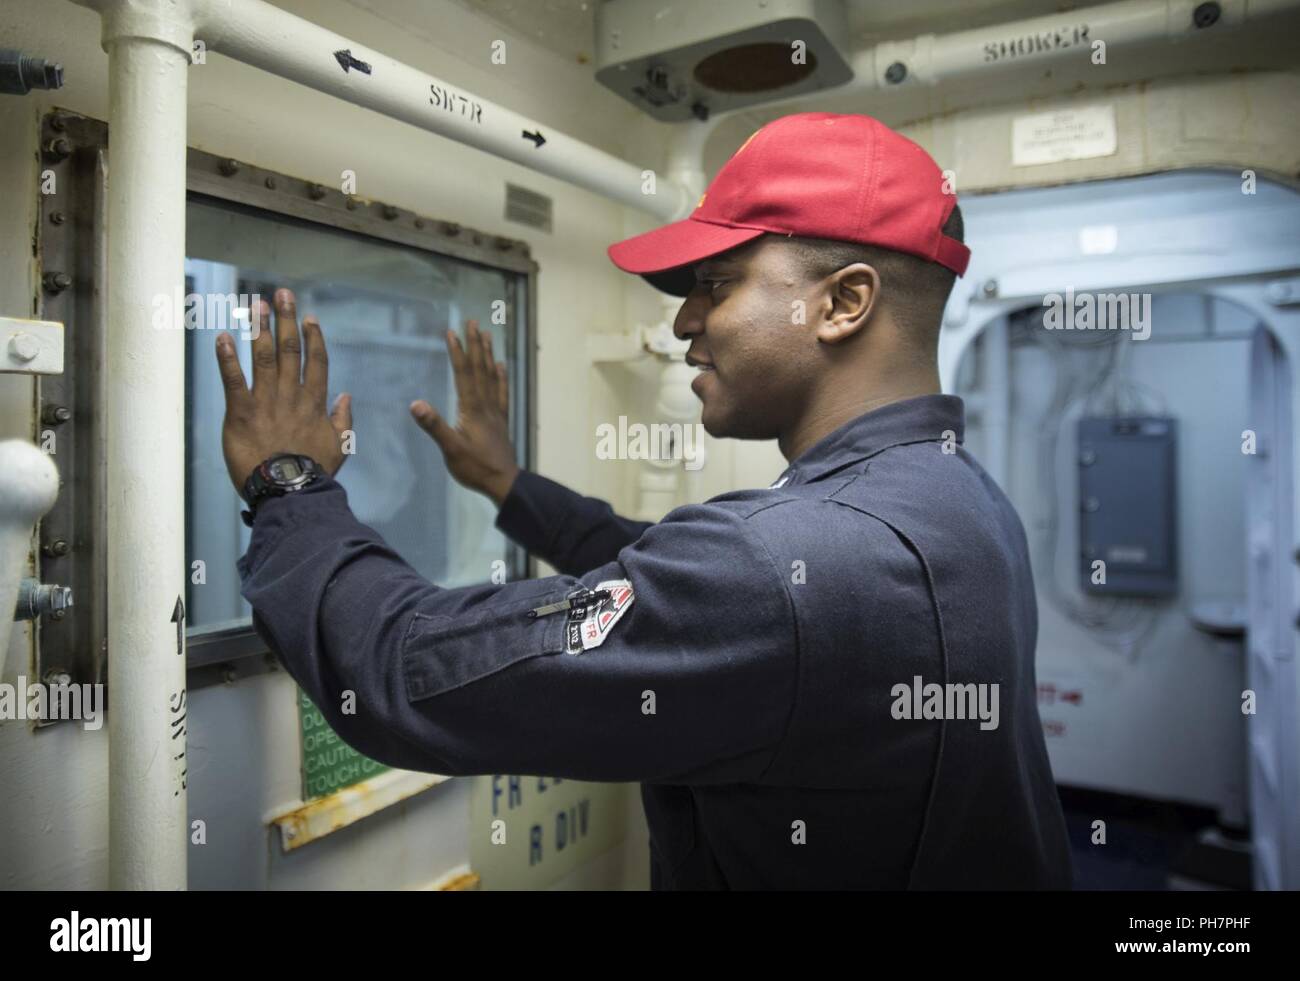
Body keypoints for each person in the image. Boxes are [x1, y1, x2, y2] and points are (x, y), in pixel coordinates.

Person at [215, 111, 1073, 890]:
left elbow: (401, 671)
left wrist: (289, 484)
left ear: (843, 301)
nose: (683, 322)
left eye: (719, 283)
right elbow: (669, 578)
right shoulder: (959, 497)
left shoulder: (773, 569)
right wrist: (513, 488)